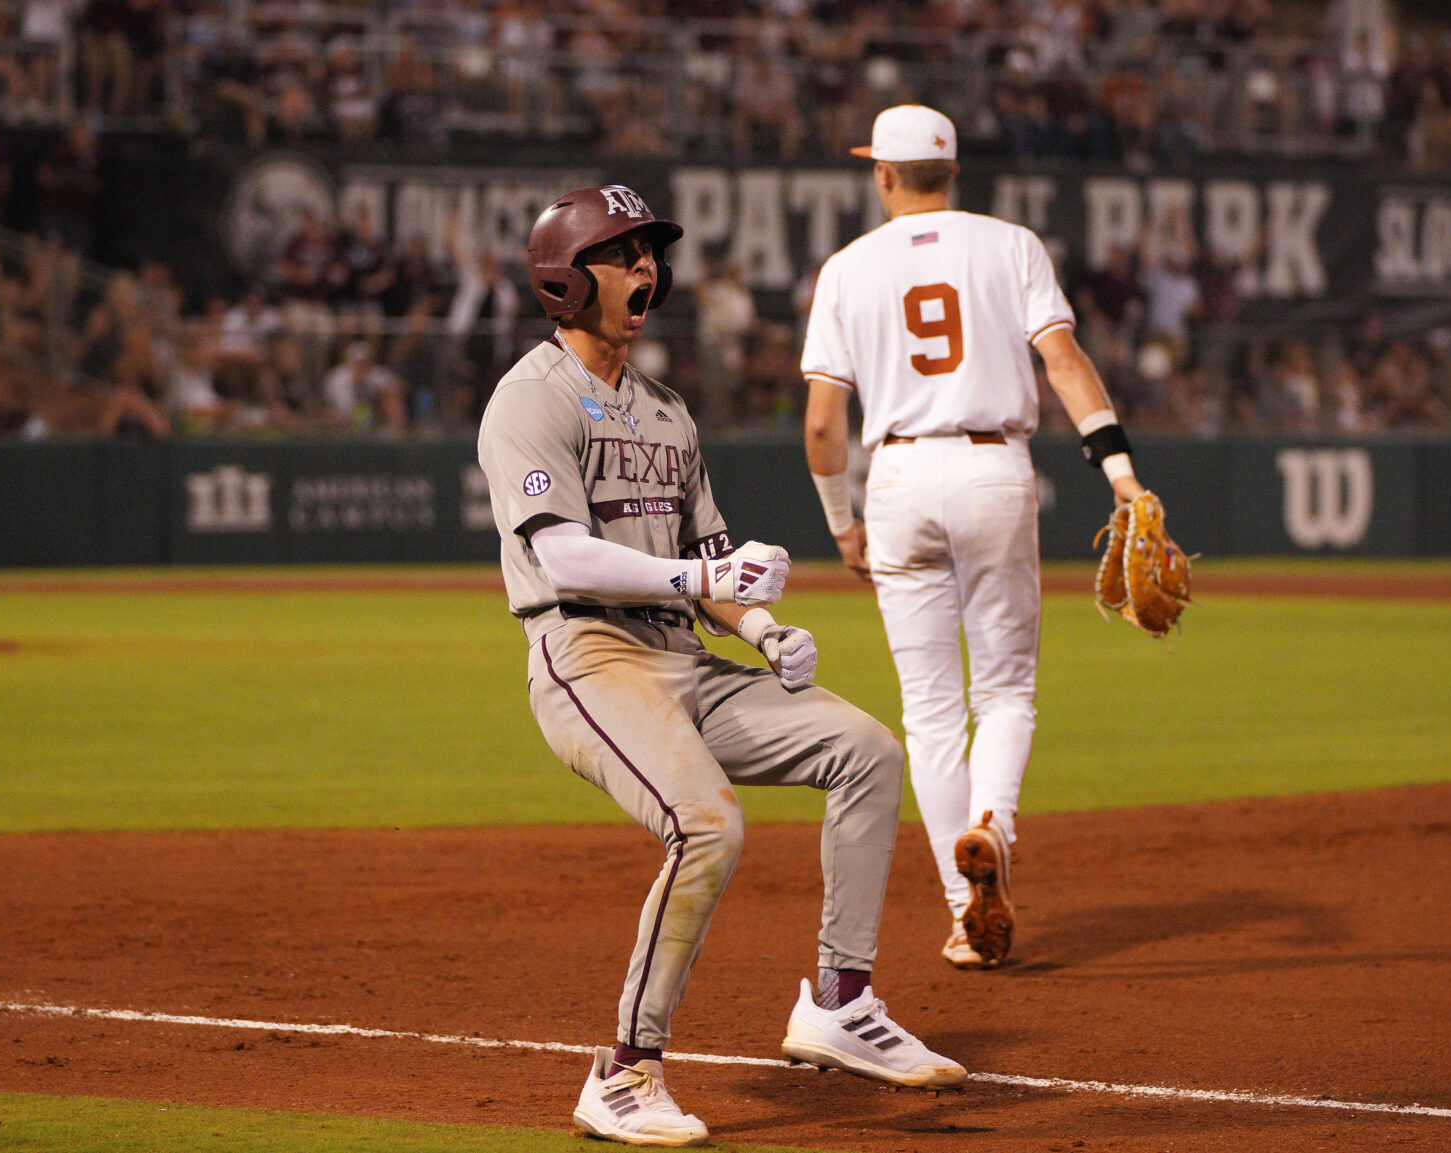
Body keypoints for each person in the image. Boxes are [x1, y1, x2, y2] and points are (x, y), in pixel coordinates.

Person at [477, 185, 964, 1147]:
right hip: (588, 654)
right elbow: (564, 556)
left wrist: (765, 628)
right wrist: (696, 572)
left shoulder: (666, 410)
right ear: (564, 281)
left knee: (866, 749)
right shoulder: (529, 397)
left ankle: (839, 1002)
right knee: (707, 826)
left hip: (684, 655)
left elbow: (712, 573)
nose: (646, 269)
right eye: (621, 255)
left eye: (650, 252)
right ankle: (624, 1072)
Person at [800, 106, 1153, 971]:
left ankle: (965, 912)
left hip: (898, 479)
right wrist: (1122, 477)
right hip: (996, 467)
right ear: (950, 171)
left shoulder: (846, 268)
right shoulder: (1011, 245)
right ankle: (992, 825)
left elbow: (820, 422)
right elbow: (1065, 363)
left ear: (883, 174)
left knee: (929, 717)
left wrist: (840, 520)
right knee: (1005, 694)